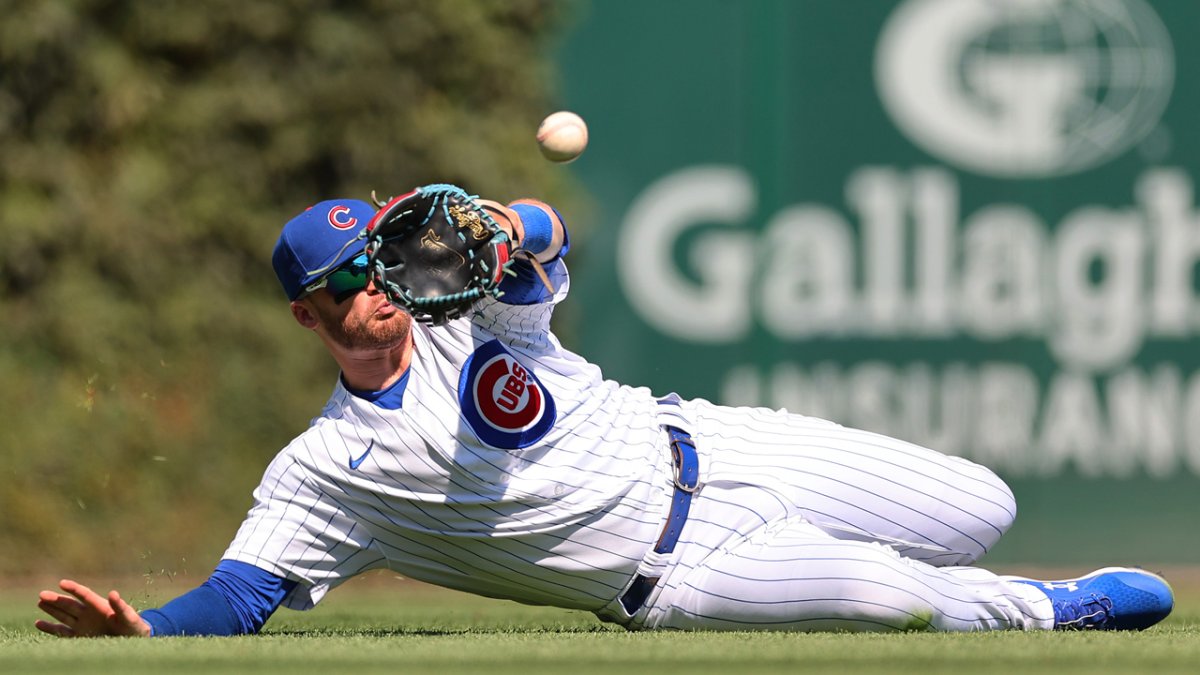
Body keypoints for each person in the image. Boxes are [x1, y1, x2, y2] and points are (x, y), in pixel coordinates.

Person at [36, 193, 1174, 637]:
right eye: (348, 281)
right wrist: (149, 639)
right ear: (307, 313)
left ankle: (992, 577)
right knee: (897, 599)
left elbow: (535, 250)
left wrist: (507, 218)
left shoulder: (464, 319)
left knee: (986, 499)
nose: (376, 288)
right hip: (670, 575)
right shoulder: (326, 469)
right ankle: (1039, 611)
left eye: (380, 261)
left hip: (714, 441)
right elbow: (244, 592)